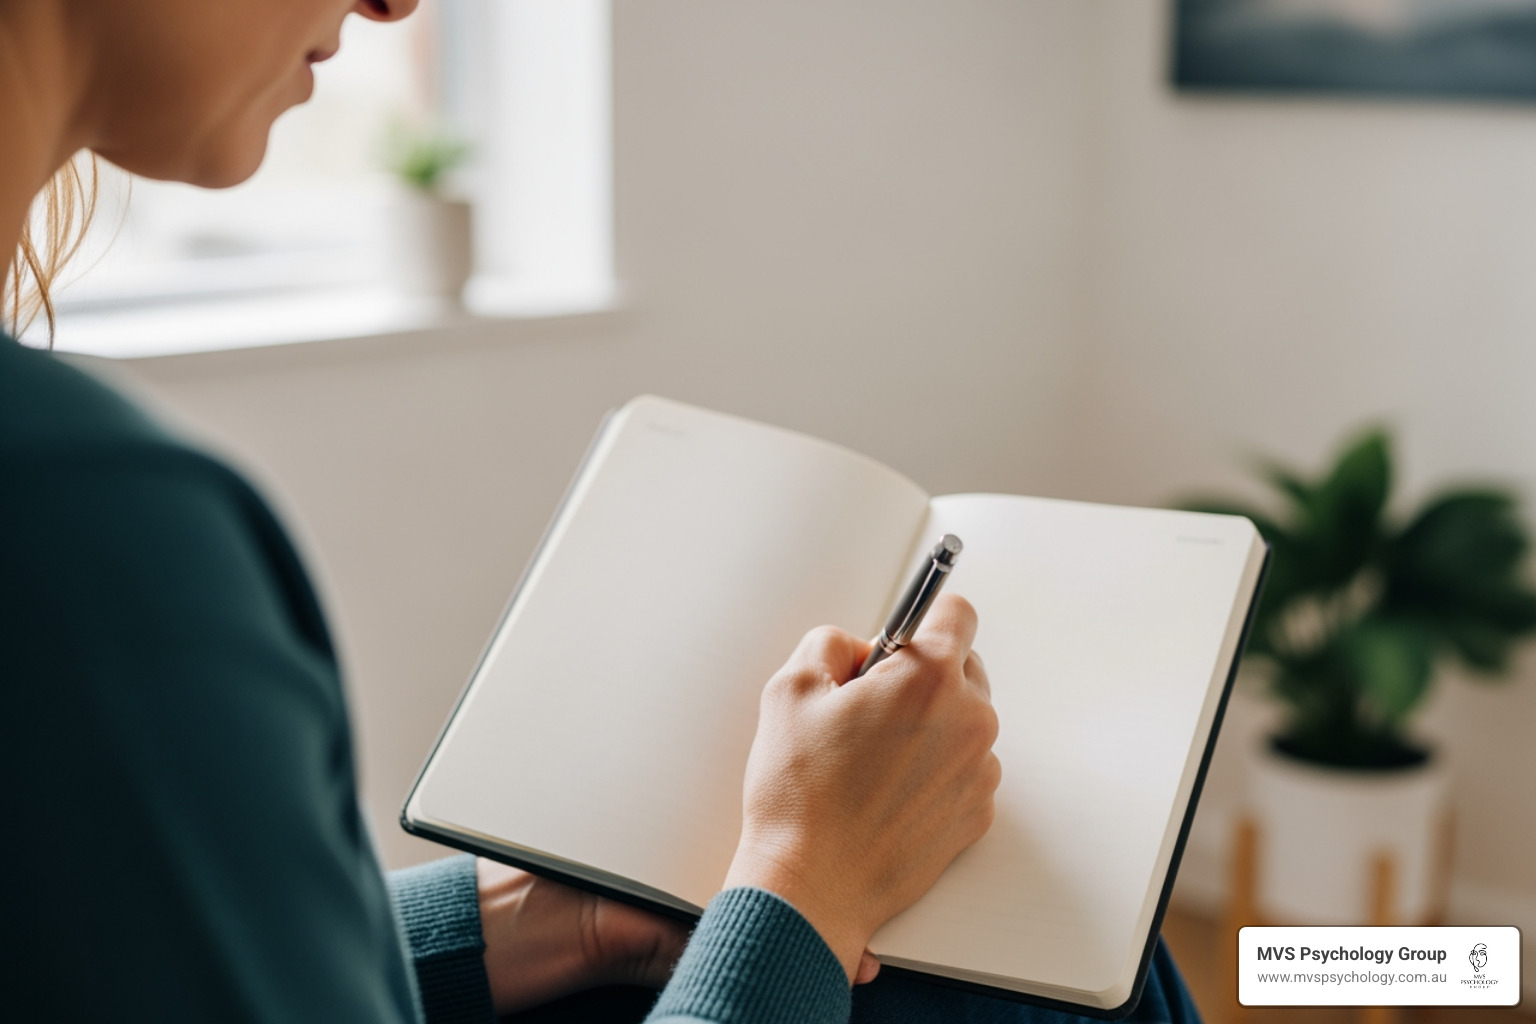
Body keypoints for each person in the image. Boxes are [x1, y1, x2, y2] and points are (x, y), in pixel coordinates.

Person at [0, 1, 1201, 1022]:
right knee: (1067, 974)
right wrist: (802, 883)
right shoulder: (81, 527)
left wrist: (544, 917)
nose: (396, 4)